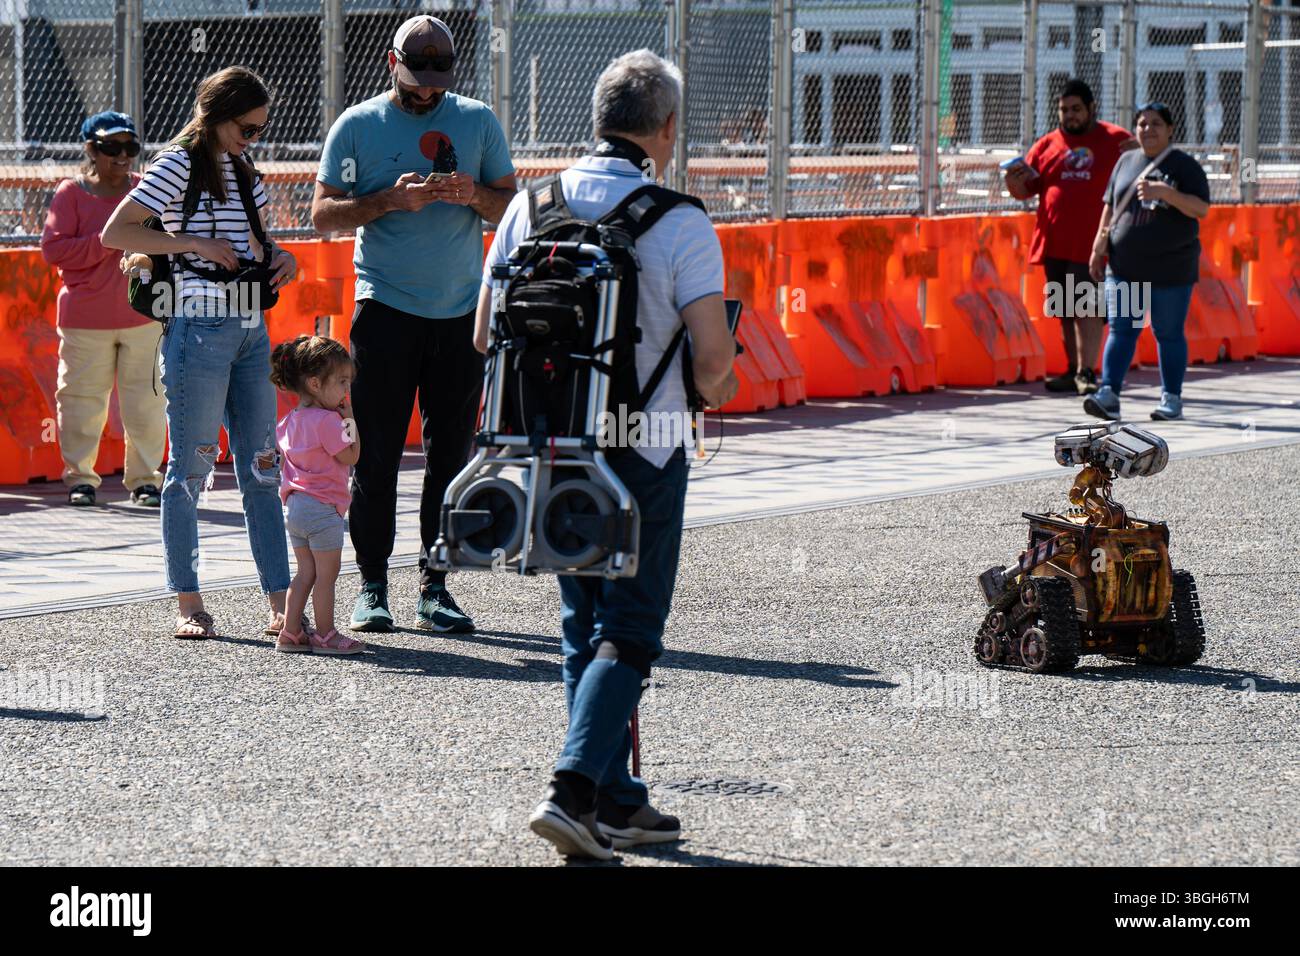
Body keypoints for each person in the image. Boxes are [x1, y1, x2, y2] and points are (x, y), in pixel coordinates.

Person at [475, 49, 738, 860]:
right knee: (632, 628)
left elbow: (484, 334)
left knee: (579, 623)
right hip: (646, 445)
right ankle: (572, 789)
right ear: (666, 128)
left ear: (597, 121)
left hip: (548, 444)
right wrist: (716, 389)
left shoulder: (530, 205)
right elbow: (712, 360)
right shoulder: (680, 218)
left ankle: (618, 801)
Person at [311, 15, 517, 635]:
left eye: (437, 80)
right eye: (415, 78)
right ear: (391, 62)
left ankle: (436, 585)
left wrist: (472, 195)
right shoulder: (357, 125)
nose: (426, 92)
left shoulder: (478, 119)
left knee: (451, 455)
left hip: (459, 313)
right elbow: (322, 214)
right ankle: (372, 583)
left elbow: (511, 207)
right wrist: (388, 201)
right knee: (372, 451)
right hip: (386, 308)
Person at [102, 66, 299, 639]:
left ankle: (280, 601)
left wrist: (286, 259)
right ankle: (189, 602)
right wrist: (191, 241)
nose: (252, 139)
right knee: (189, 471)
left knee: (263, 469)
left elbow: (262, 243)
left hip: (250, 329)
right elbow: (118, 232)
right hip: (197, 330)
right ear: (216, 115)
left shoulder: (244, 169)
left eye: (260, 130)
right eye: (247, 127)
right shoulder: (176, 164)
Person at [40, 111, 165, 508]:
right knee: (80, 400)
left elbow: (164, 239)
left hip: (143, 316)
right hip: (85, 320)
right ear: (91, 150)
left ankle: (145, 480)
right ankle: (81, 480)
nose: (123, 155)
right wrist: (111, 239)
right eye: (112, 147)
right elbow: (54, 249)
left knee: (147, 400)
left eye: (130, 147)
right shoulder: (70, 193)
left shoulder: (145, 189)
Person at [1006, 78, 1138, 395]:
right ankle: (1071, 370)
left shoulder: (1116, 140)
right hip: (1055, 241)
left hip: (1094, 242)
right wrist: (1013, 181)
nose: (1070, 116)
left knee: (1088, 307)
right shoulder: (1047, 144)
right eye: (1064, 110)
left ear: (1092, 108)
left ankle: (1087, 373)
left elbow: (1142, 169)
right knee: (1065, 309)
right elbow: (1024, 192)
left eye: (1076, 109)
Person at [1084, 103, 1211, 422]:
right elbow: (1110, 204)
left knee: (1167, 333)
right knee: (1121, 329)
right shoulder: (1126, 161)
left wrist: (1166, 193)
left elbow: (1201, 209)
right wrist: (1100, 242)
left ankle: (1171, 398)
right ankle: (1109, 394)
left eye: (1156, 124)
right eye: (1142, 124)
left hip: (1171, 269)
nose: (1148, 129)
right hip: (1125, 266)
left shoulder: (1185, 167)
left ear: (1170, 130)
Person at [269, 335, 366, 655]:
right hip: (324, 510)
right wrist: (350, 414)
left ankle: (291, 632)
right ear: (314, 383)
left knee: (305, 573)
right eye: (341, 382)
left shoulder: (287, 422)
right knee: (326, 577)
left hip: (295, 507)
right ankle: (326, 635)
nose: (345, 391)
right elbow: (351, 455)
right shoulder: (329, 421)